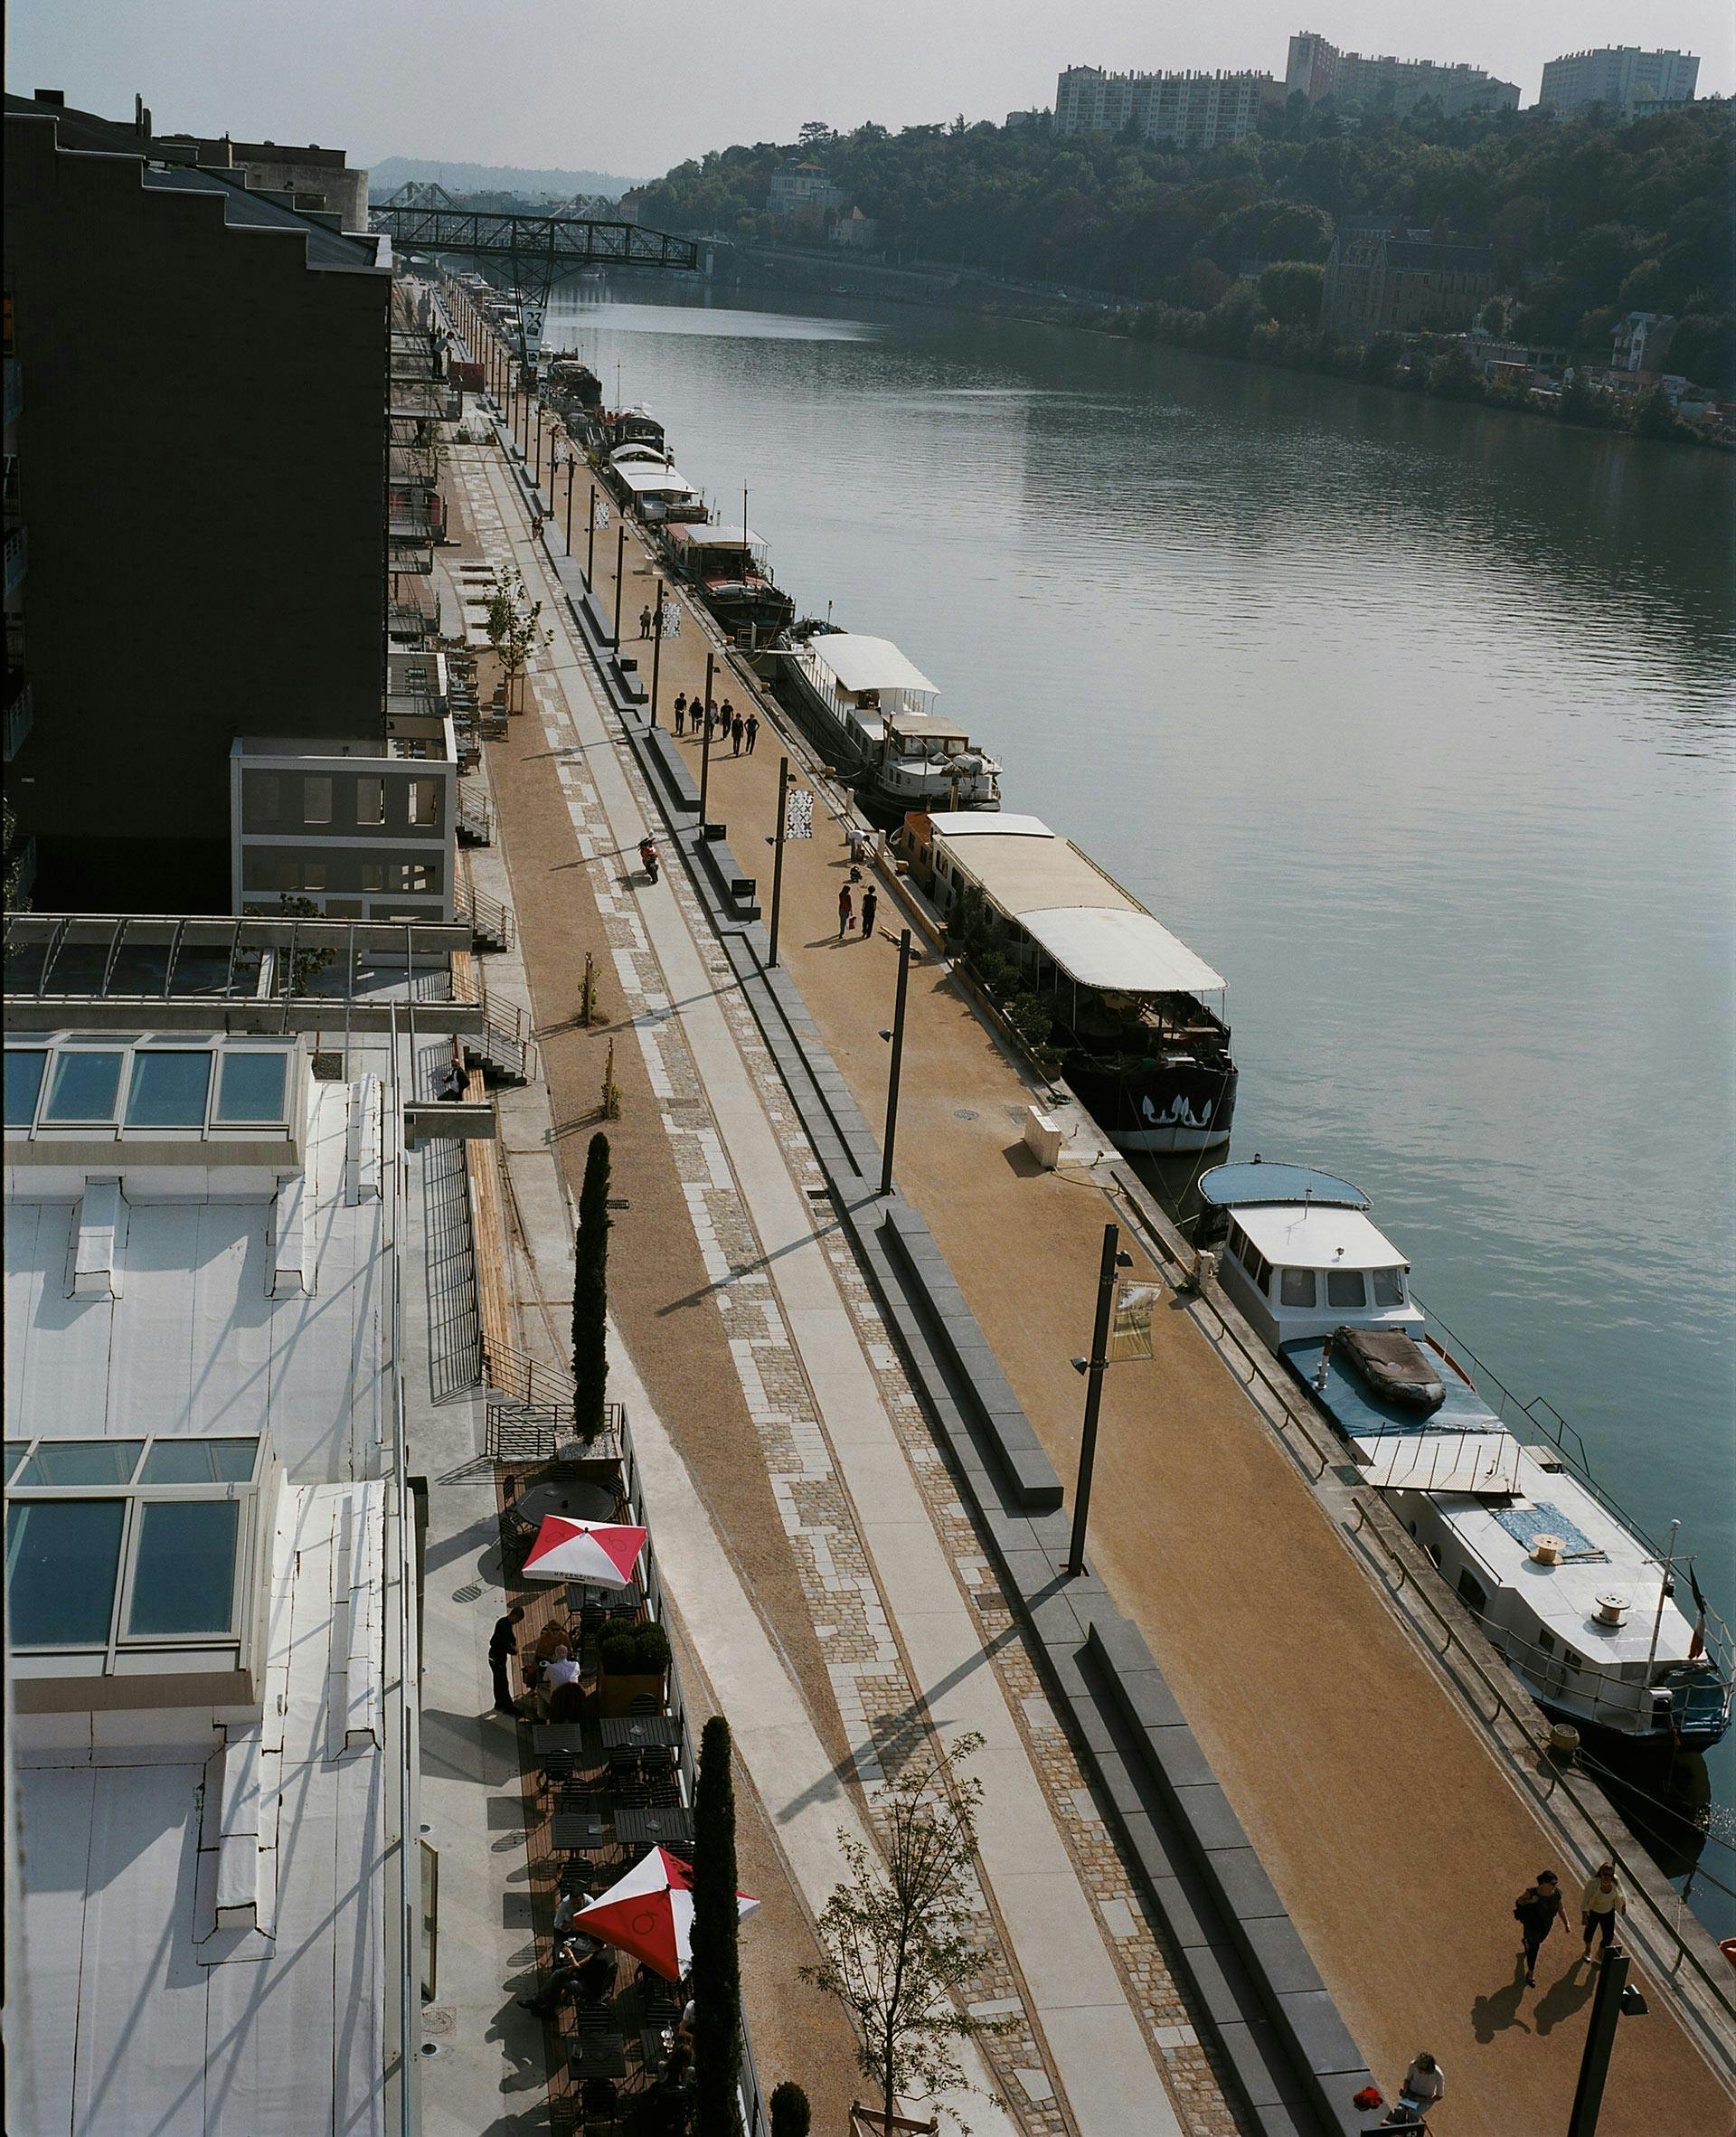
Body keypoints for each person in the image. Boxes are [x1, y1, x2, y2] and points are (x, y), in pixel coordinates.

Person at [1514, 1870, 1563, 1985]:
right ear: (1544, 1883)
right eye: (1552, 1883)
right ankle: (1531, 1973)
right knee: (1534, 1948)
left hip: (1546, 1925)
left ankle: (1526, 1941)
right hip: (1532, 1923)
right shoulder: (1532, 1892)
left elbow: (1561, 1908)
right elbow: (1520, 1901)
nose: (1555, 1886)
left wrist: (1566, 1923)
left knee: (1538, 1941)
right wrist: (1531, 1901)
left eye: (1555, 1883)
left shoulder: (1557, 1894)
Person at [1580, 1863, 1627, 1958]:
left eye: (1610, 1875)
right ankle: (1587, 1950)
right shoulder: (1592, 1883)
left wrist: (1623, 1906)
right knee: (1589, 1932)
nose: (1607, 1877)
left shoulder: (1615, 1882)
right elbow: (1585, 1900)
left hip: (1608, 1912)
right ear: (1601, 1873)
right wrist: (1584, 1917)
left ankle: (1600, 1954)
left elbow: (1621, 1894)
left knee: (1609, 1936)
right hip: (1594, 1911)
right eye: (1605, 1874)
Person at [487, 1606, 524, 1716]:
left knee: (500, 1681)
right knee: (501, 1682)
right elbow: (505, 1643)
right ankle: (507, 1706)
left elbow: (510, 1638)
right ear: (514, 1616)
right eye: (517, 1620)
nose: (517, 1623)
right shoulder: (503, 1626)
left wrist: (513, 1644)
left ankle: (500, 1704)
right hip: (497, 1657)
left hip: (498, 1656)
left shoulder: (504, 1622)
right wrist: (514, 1650)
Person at [1398, 2052, 1443, 2116]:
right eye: (1418, 2067)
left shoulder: (1438, 2075)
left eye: (1422, 2069)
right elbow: (1407, 2080)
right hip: (1411, 2093)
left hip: (1425, 2098)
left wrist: (1423, 2099)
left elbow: (1439, 2096)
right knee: (1399, 2110)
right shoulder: (1413, 2064)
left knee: (1413, 2114)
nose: (1419, 2070)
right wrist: (1405, 2091)